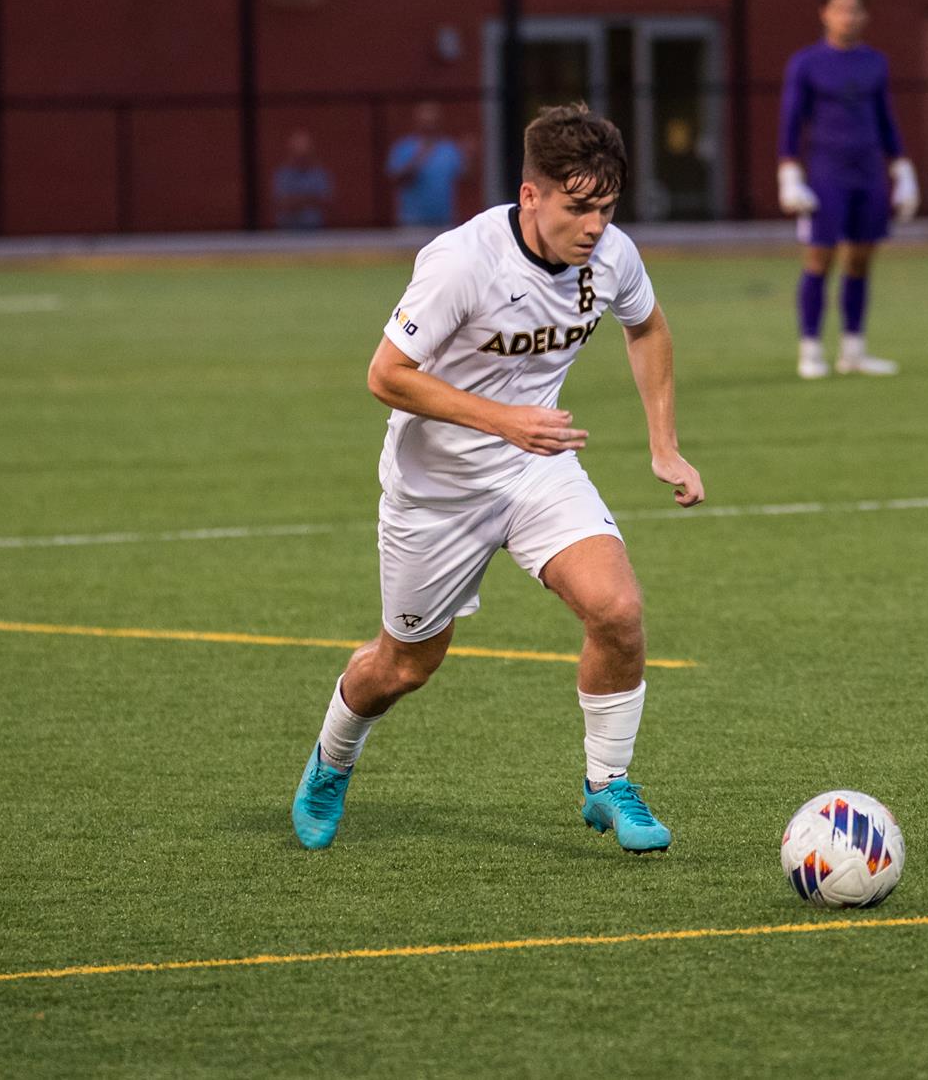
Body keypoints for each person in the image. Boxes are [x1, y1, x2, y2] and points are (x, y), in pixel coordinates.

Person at [292, 102, 706, 855]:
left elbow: (646, 326)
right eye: (578, 208)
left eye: (607, 209)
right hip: (436, 491)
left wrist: (665, 445)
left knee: (617, 609)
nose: (594, 227)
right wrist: (502, 418)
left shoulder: (612, 255)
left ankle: (606, 784)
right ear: (530, 197)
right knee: (405, 665)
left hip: (535, 469)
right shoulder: (462, 261)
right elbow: (386, 375)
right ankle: (332, 758)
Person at [776, 0, 920, 380]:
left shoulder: (875, 62)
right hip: (826, 172)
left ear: (865, 16)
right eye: (839, 8)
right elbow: (791, 118)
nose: (847, 17)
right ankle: (810, 348)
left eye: (854, 9)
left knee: (861, 259)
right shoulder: (806, 63)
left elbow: (885, 118)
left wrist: (902, 168)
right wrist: (789, 170)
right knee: (820, 256)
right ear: (824, 13)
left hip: (869, 171)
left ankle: (854, 349)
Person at [385, 102, 468, 228]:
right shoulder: (404, 147)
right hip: (412, 221)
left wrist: (469, 156)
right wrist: (420, 157)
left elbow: (465, 176)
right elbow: (397, 179)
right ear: (417, 122)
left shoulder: (449, 148)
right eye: (426, 121)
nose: (430, 125)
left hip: (444, 220)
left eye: (433, 121)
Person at [271, 129, 334, 230]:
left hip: (316, 231)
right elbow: (282, 204)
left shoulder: (320, 174)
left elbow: (326, 203)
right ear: (291, 153)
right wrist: (310, 199)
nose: (301, 159)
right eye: (298, 155)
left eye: (304, 155)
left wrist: (296, 200)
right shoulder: (283, 175)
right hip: (287, 232)